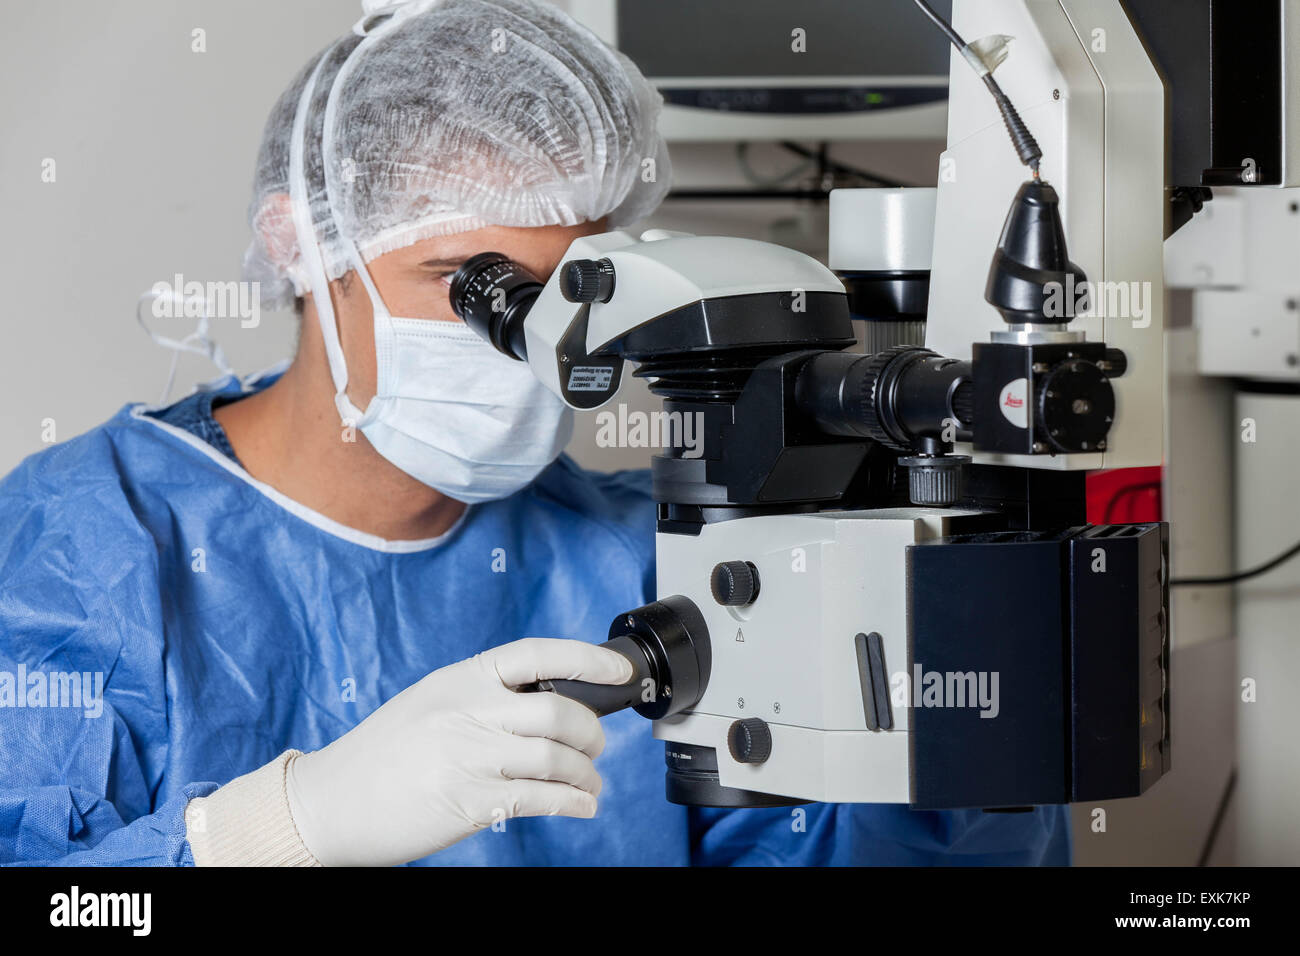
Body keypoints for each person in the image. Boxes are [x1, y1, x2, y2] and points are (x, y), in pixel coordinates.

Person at [0, 0, 1069, 866]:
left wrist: (967, 700)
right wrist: (285, 828)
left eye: (574, 290)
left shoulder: (646, 556)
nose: (532, 339)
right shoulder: (80, 550)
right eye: (470, 287)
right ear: (299, 245)